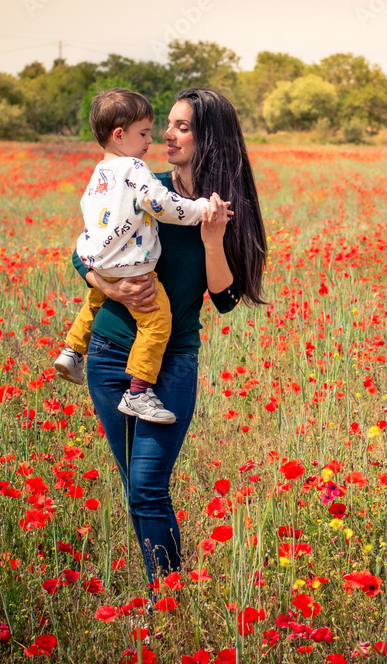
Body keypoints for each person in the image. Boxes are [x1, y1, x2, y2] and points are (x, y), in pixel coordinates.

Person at [70, 88, 267, 583]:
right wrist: (105, 287)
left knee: (147, 487)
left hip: (172, 361)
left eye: (182, 127)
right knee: (134, 487)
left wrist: (213, 239)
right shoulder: (142, 183)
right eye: (168, 125)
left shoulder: (219, 209)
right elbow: (84, 251)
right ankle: (164, 595)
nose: (167, 135)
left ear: (210, 139)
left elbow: (224, 299)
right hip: (109, 353)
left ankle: (167, 597)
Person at [55, 88, 229, 425]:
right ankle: (138, 391)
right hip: (131, 273)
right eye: (147, 132)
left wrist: (103, 280)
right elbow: (162, 205)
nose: (158, 138)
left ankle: (73, 351)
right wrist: (199, 209)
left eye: (180, 127)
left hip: (102, 260)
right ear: (120, 135)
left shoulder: (100, 173)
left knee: (92, 302)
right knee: (157, 319)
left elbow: (225, 298)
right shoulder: (138, 170)